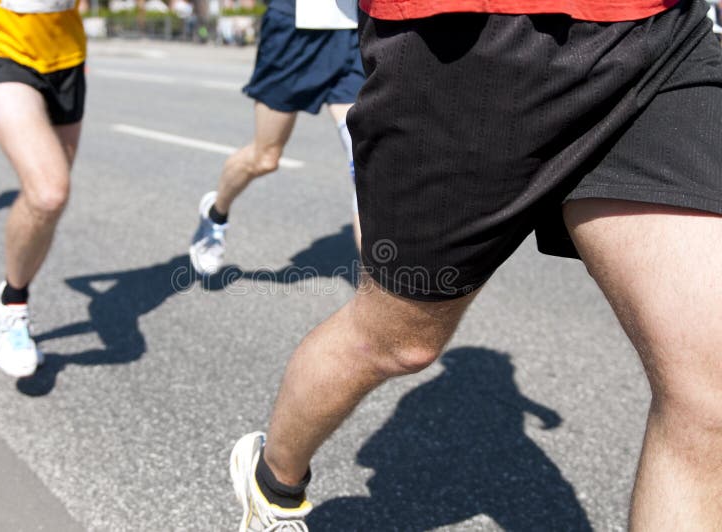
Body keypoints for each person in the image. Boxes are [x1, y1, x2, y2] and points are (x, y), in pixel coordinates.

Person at [229, 0, 722, 529]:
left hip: (655, 35)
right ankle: (273, 479)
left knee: (710, 391)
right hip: (464, 43)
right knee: (396, 341)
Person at [0, 0, 86, 377]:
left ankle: (11, 295)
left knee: (46, 205)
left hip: (64, 51)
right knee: (48, 192)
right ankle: (13, 306)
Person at [189, 0, 364, 276]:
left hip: (355, 26)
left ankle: (381, 292)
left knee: (364, 159)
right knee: (265, 158)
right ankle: (215, 214)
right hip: (295, 28)